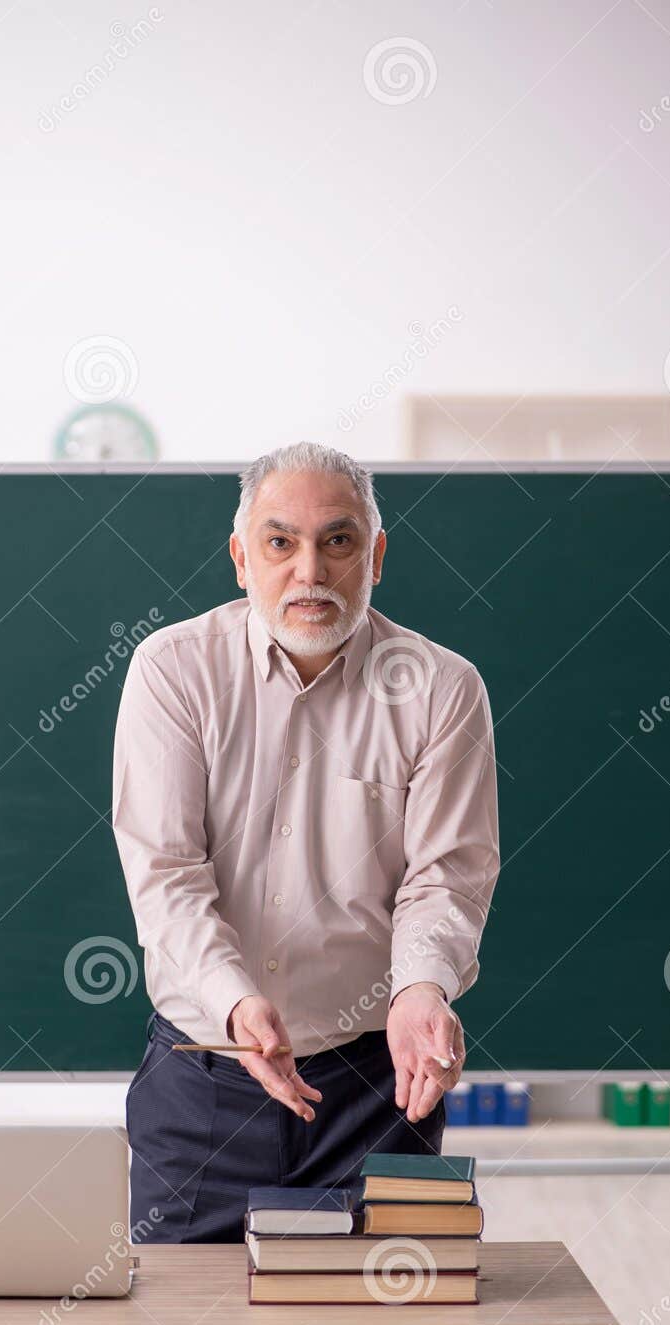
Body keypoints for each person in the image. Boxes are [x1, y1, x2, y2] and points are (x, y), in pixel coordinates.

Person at [112, 441, 500, 1242]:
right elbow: (168, 876)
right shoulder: (173, 671)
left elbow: (445, 879)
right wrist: (236, 1002)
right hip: (202, 1085)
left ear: (377, 555)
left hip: (378, 1090)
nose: (310, 572)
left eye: (339, 541)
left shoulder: (441, 688)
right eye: (280, 542)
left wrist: (421, 989)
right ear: (241, 560)